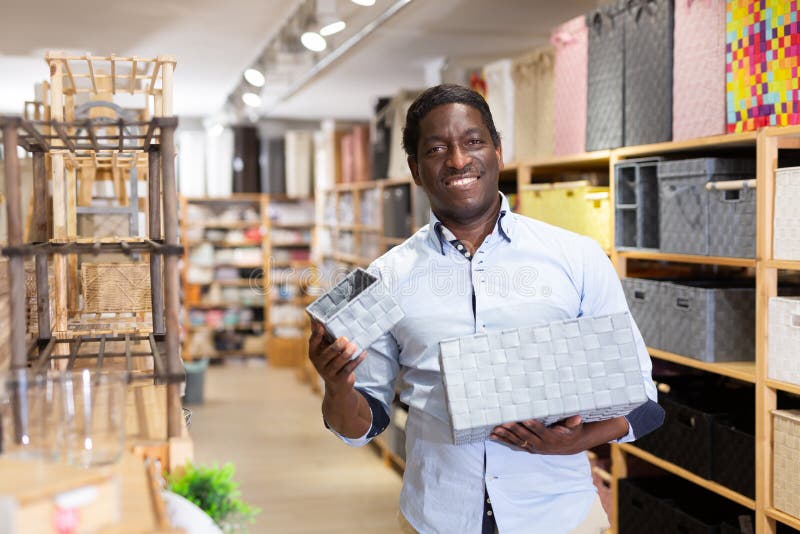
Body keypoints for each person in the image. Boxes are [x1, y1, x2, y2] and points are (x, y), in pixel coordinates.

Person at [308, 84, 663, 534]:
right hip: (438, 516)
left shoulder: (577, 256)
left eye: (473, 142)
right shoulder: (384, 276)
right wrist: (336, 385)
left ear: (497, 150)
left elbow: (645, 403)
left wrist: (574, 441)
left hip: (557, 516)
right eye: (437, 149)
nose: (458, 160)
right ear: (416, 170)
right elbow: (363, 425)